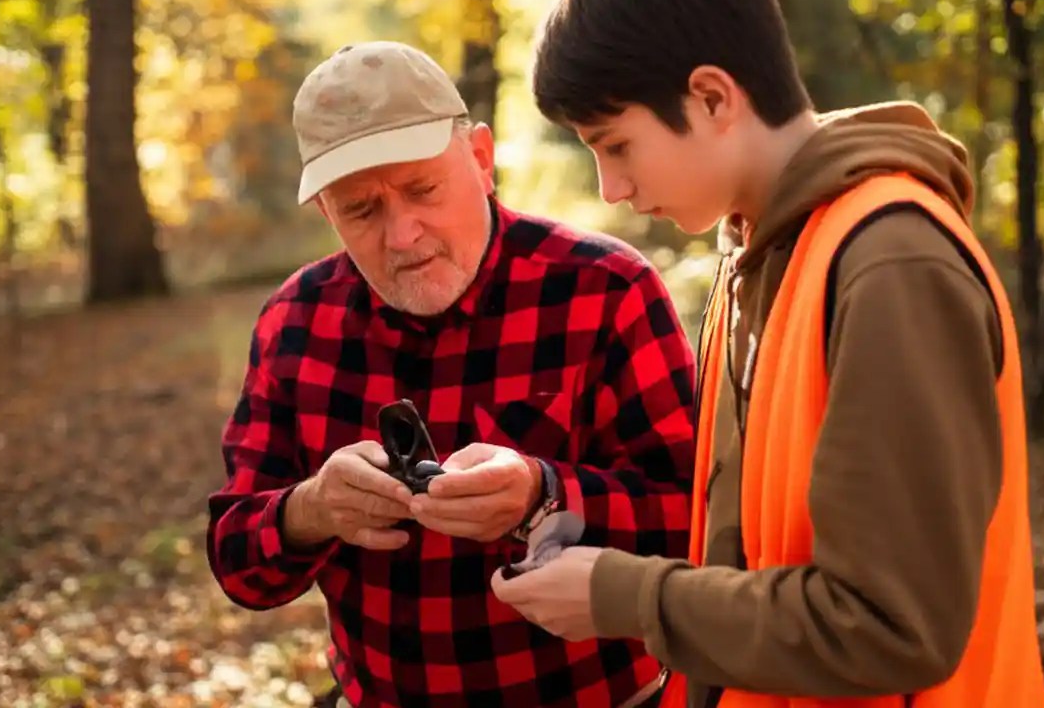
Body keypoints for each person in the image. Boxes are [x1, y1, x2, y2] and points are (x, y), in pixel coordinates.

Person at [491, 0, 1044, 706]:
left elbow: (891, 628)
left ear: (713, 98)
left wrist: (627, 597)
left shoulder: (893, 267)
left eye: (616, 144)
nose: (611, 189)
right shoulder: (753, 253)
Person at [205, 40, 696, 708]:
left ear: (483, 159)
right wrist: (313, 509)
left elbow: (699, 529)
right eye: (361, 209)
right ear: (326, 212)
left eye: (423, 189)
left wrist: (542, 494)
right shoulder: (296, 322)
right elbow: (238, 564)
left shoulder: (606, 290)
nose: (403, 233)